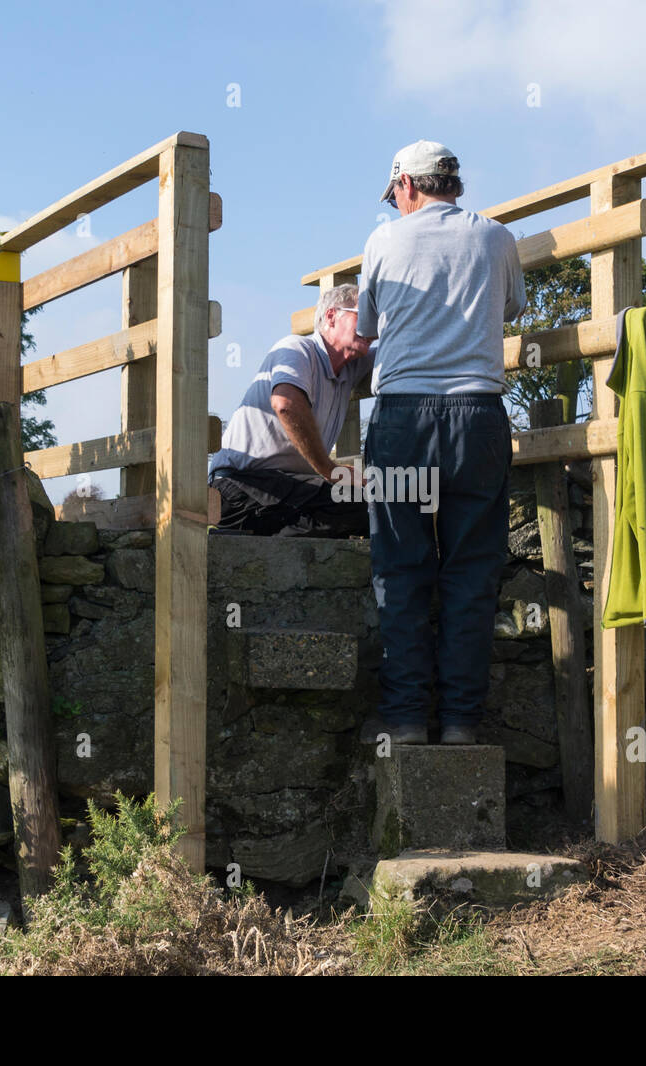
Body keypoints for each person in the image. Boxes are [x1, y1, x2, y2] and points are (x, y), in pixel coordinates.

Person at [355, 140, 526, 744]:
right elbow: (510, 306)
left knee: (400, 568)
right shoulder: (497, 237)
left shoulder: (383, 240)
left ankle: (403, 721)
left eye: (395, 194)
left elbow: (365, 326)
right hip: (478, 416)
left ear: (405, 185)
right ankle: (460, 724)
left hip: (402, 418)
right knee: (472, 573)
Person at [208, 284, 373, 537]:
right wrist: (330, 470)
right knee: (363, 505)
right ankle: (251, 539)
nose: (371, 327)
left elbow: (405, 351)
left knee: (368, 504)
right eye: (364, 316)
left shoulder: (350, 368)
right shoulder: (298, 349)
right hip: (239, 484)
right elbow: (286, 403)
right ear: (331, 316)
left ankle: (259, 539)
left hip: (287, 487)